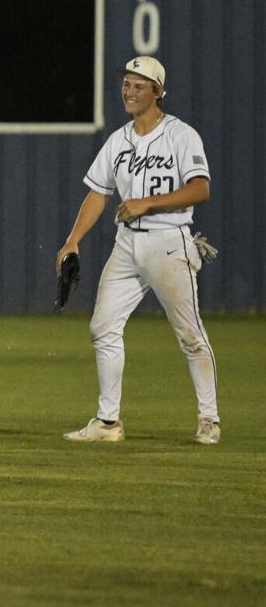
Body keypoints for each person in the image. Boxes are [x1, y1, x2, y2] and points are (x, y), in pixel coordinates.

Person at [56, 56, 219, 444]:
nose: (129, 91)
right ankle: (108, 421)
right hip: (127, 243)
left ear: (158, 92)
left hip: (168, 239)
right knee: (103, 326)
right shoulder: (119, 140)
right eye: (126, 84)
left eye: (139, 85)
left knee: (189, 334)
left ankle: (209, 418)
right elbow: (98, 193)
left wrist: (148, 202)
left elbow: (201, 189)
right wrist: (72, 239)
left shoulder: (182, 135)